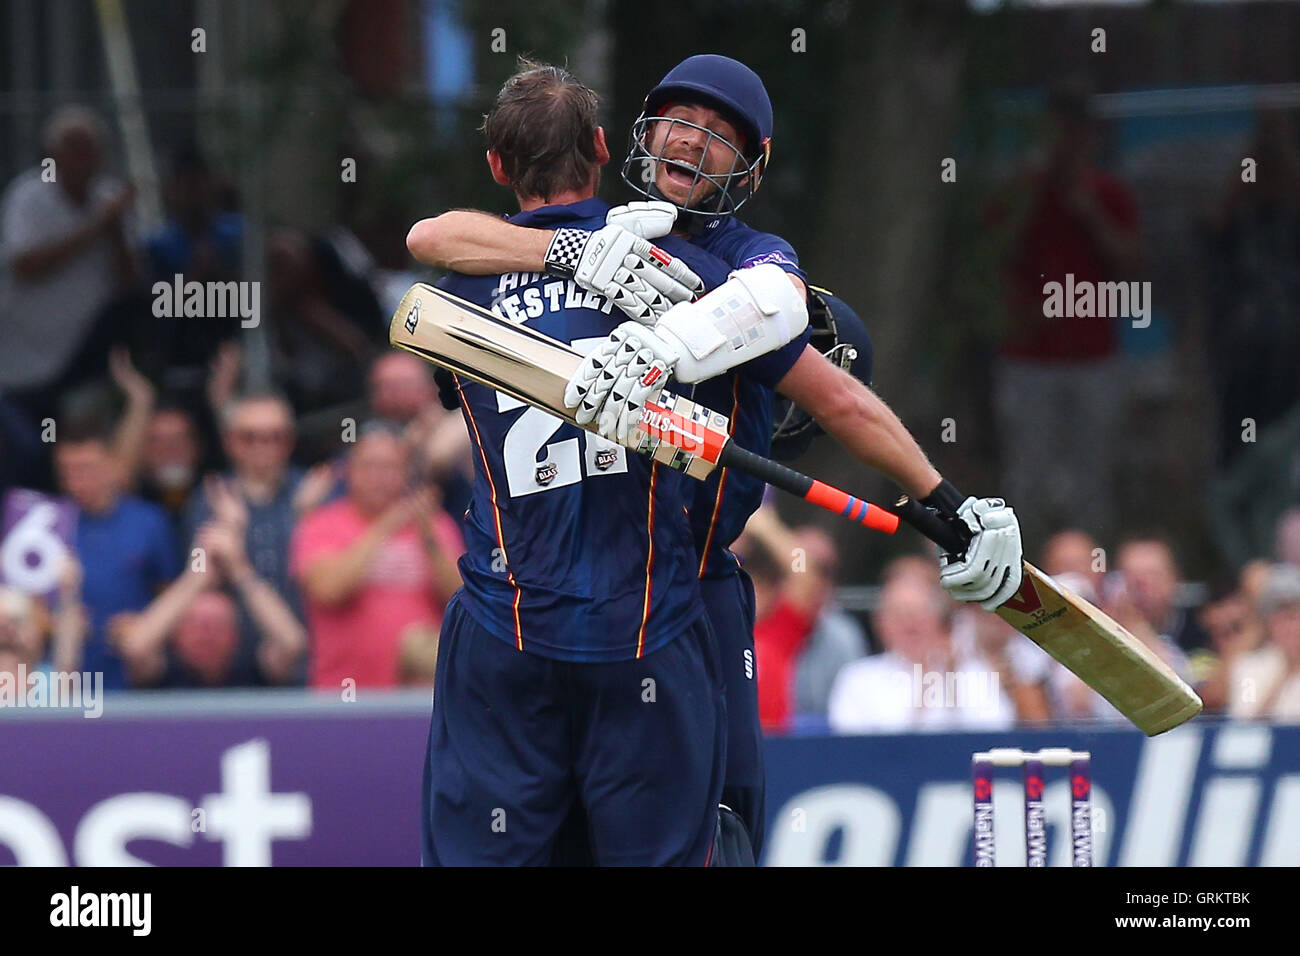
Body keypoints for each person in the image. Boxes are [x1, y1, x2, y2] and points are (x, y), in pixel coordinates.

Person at [407, 55, 1024, 858]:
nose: (693, 145)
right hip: (653, 616)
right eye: (679, 124)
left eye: (719, 136)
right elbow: (835, 395)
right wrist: (943, 498)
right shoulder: (671, 262)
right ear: (608, 144)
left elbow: (431, 242)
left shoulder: (474, 286)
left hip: (518, 619)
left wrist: (947, 503)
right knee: (714, 835)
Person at [292, 423, 462, 690]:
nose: (378, 477)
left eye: (390, 468)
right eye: (369, 467)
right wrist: (386, 525)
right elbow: (328, 590)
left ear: (407, 474)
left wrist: (429, 537)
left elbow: (462, 599)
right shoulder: (321, 524)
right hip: (344, 693)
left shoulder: (435, 524)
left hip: (423, 693)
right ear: (349, 471)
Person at [0, 106, 140, 424]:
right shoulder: (28, 195)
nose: (82, 159)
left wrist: (115, 226)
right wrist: (97, 225)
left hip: (85, 351)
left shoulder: (109, 198)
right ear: (53, 154)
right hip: (24, 352)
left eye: (90, 150)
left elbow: (130, 279)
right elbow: (25, 265)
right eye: (74, 149)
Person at [54, 426, 179, 689]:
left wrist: (144, 622)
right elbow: (19, 602)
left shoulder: (150, 522)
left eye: (87, 468)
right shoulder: (45, 525)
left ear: (113, 465)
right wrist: (55, 625)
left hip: (136, 675)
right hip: (60, 679)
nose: (76, 481)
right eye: (68, 471)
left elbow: (172, 595)